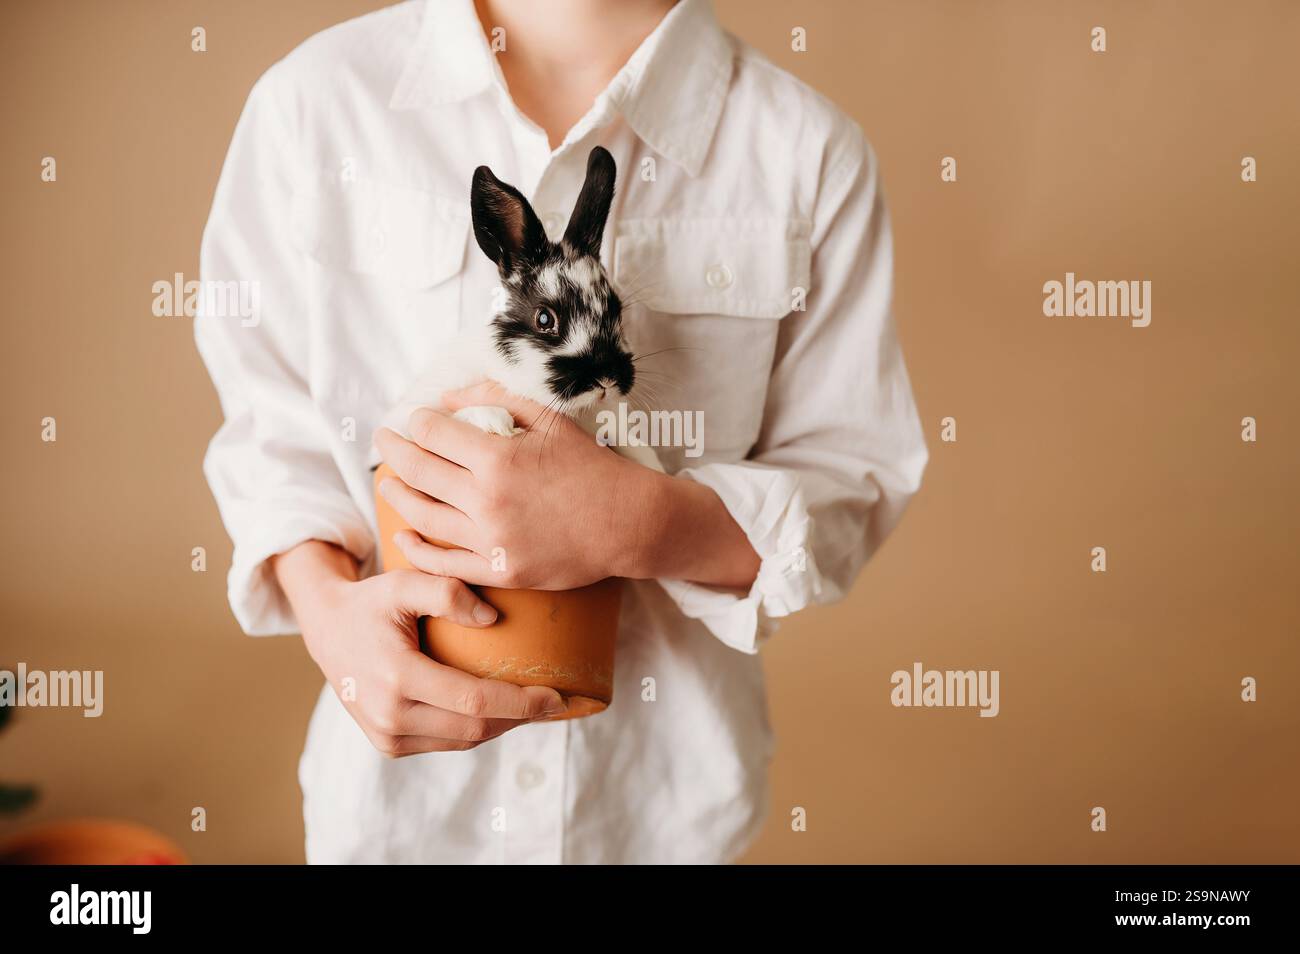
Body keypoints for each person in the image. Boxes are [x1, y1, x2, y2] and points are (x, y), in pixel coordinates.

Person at [196, 0, 927, 863]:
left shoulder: (807, 152)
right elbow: (274, 438)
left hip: (667, 816)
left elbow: (851, 474)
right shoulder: (312, 106)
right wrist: (331, 615)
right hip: (400, 822)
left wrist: (644, 523)